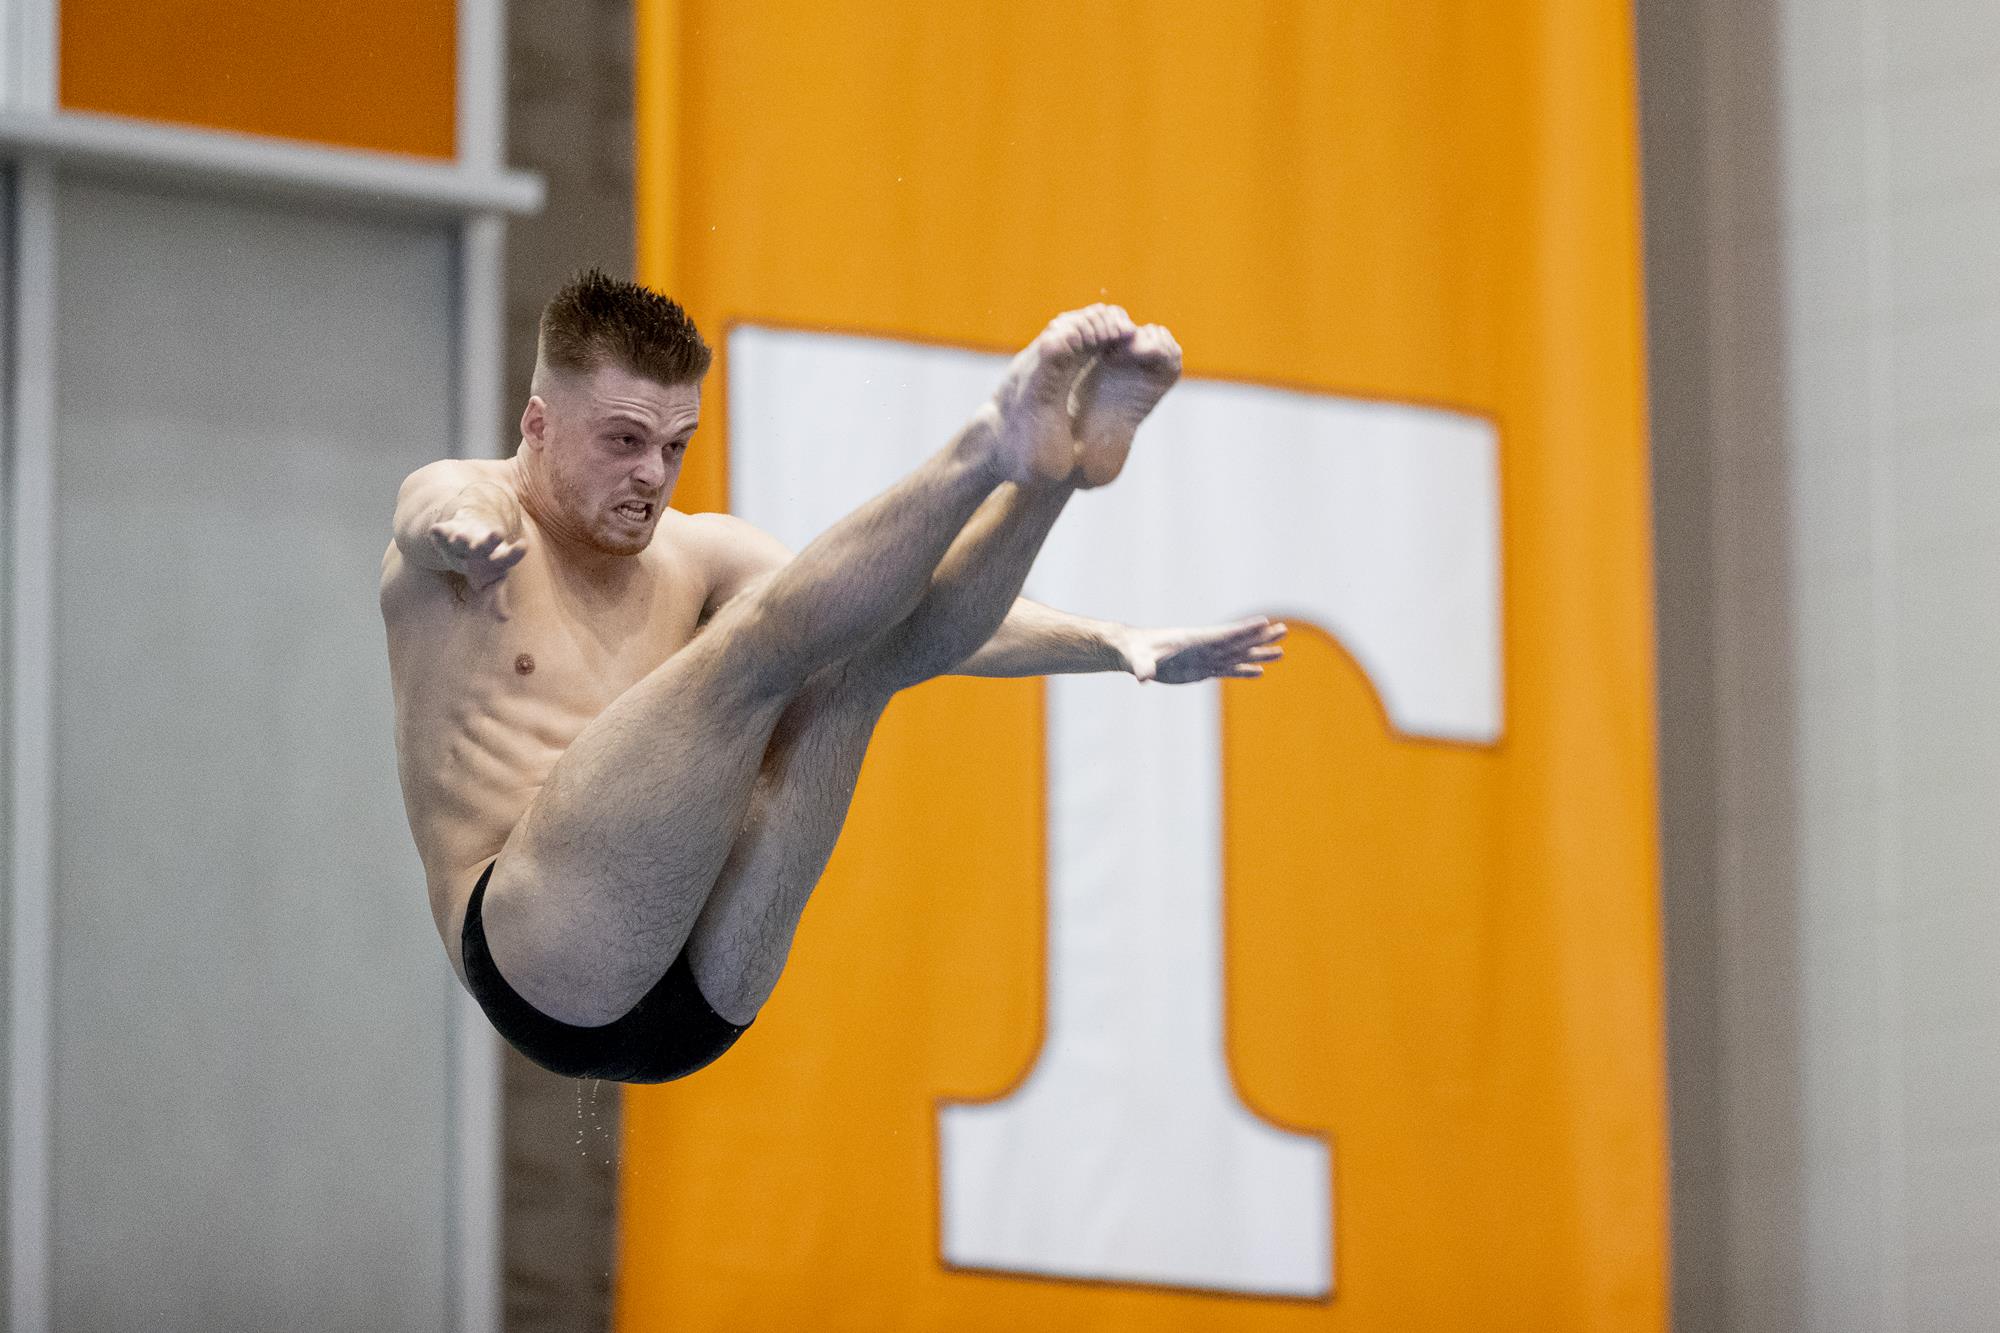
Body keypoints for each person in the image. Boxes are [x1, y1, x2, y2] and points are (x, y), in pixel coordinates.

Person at [380, 270, 1286, 1082]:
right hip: (540, 958)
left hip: (701, 1005)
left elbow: (898, 611)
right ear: (537, 423)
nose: (650, 476)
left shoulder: (692, 554)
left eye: (674, 446)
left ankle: (1051, 472)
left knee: (857, 654)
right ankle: (990, 442)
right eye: (623, 440)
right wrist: (459, 532)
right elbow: (433, 507)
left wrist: (1115, 640)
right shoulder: (478, 513)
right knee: (749, 653)